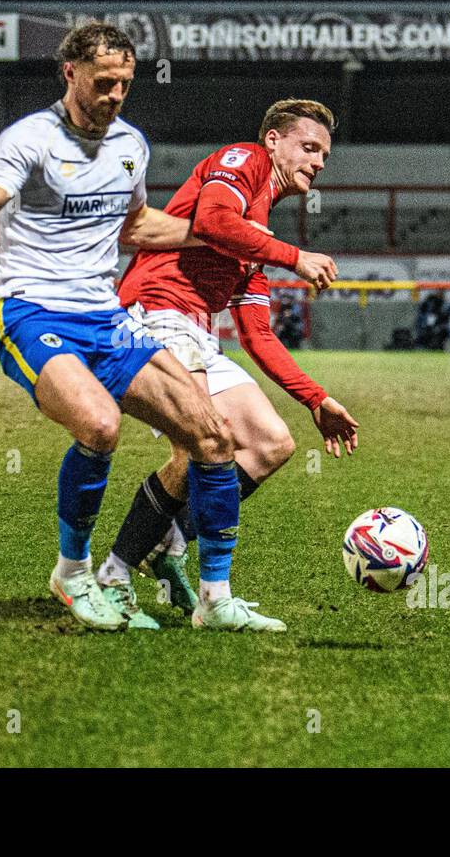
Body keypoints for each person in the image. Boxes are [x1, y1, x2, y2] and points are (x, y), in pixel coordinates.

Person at [0, 23, 312, 631]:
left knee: (212, 436)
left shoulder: (130, 145)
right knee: (100, 424)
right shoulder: (30, 138)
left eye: (125, 84)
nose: (115, 94)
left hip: (107, 318)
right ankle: (75, 571)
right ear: (71, 74)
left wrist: (217, 235)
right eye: (104, 82)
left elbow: (138, 226)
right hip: (33, 311)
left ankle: (215, 601)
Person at [100, 99, 357, 629]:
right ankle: (118, 576)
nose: (319, 161)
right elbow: (214, 220)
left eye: (325, 154)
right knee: (204, 440)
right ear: (273, 141)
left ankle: (166, 540)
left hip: (195, 330)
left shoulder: (256, 233)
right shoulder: (244, 160)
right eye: (309, 147)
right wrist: (294, 256)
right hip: (155, 311)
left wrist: (317, 399)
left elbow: (258, 335)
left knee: (269, 443)